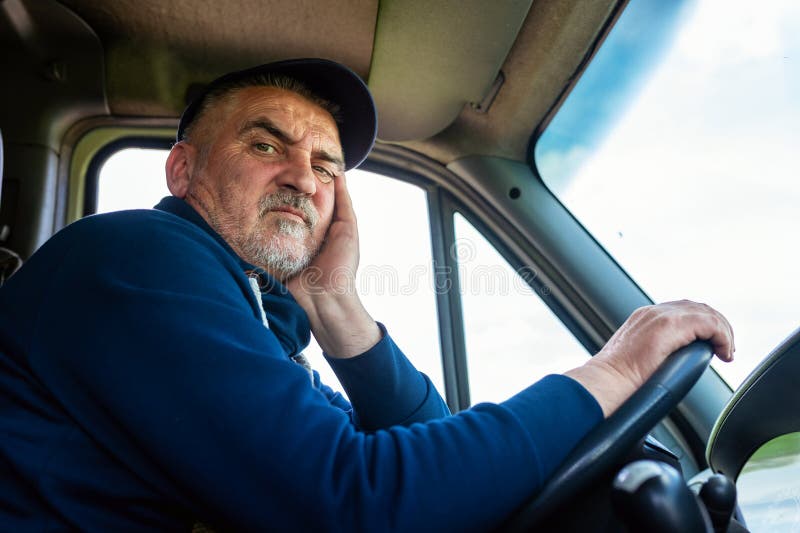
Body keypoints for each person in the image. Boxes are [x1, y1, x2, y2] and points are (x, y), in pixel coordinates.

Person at [0, 58, 734, 531]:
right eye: (265, 145)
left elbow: (410, 445)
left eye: (326, 163)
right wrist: (614, 372)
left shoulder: (256, 315)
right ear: (182, 173)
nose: (304, 176)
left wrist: (333, 303)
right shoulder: (136, 260)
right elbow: (361, 504)